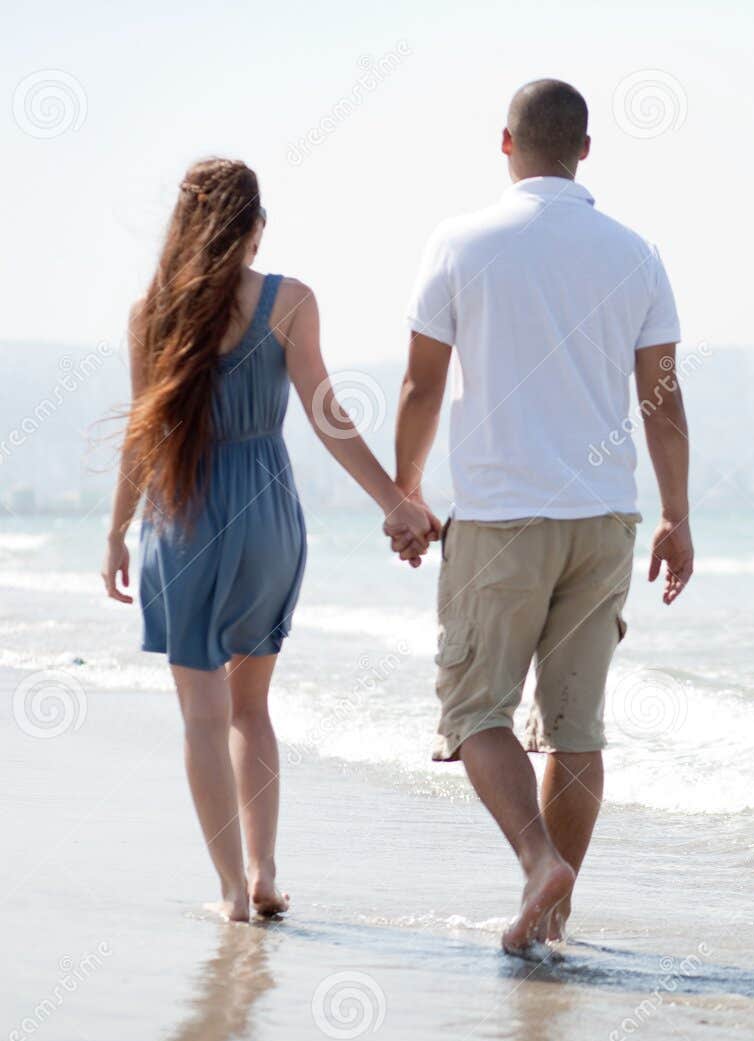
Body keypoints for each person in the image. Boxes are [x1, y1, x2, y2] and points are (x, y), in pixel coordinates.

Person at [393, 79, 693, 955]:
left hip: (499, 517)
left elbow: (420, 383)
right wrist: (676, 515)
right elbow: (663, 403)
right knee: (576, 727)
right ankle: (552, 922)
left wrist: (408, 493)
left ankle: (536, 866)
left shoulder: (459, 241)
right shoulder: (635, 252)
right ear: (586, 151)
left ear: (505, 143)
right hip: (605, 520)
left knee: (475, 709)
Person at [102, 158, 437, 922]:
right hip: (264, 510)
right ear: (253, 227)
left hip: (180, 512)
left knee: (202, 712)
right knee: (251, 707)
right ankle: (265, 874)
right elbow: (326, 412)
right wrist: (395, 500)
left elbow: (140, 434)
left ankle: (229, 891)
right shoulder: (290, 300)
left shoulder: (150, 311)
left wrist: (117, 530)